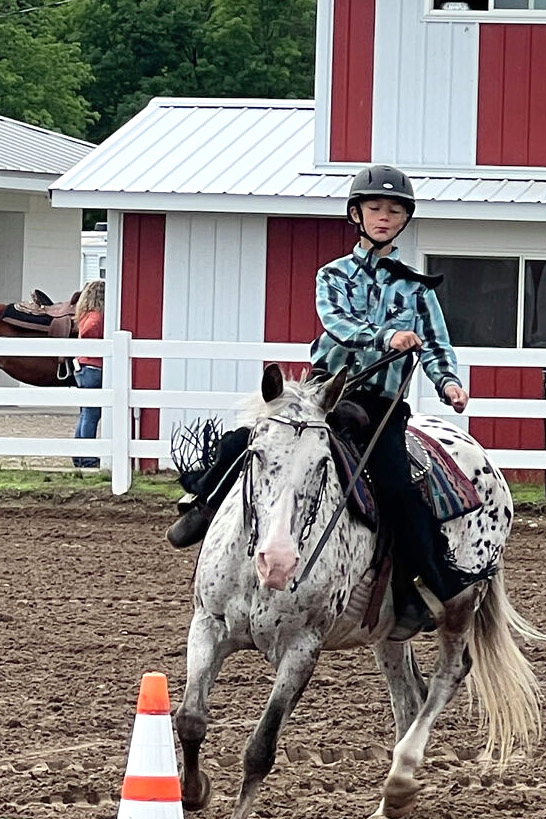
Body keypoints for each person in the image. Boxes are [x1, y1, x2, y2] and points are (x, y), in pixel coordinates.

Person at [167, 164, 471, 630]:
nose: (384, 217)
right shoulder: (333, 275)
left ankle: (412, 589)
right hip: (323, 394)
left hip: (382, 406)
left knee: (397, 486)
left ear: (404, 219)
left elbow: (436, 343)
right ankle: (204, 506)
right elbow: (338, 324)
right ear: (357, 214)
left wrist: (447, 381)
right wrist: (388, 336)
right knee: (250, 439)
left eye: (394, 210)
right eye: (375, 208)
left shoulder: (417, 288)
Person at [71, 280, 105, 469]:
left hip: (83, 367)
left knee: (86, 414)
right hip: (93, 368)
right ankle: (88, 458)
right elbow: (91, 331)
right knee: (91, 414)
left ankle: (80, 456)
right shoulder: (96, 316)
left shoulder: (84, 314)